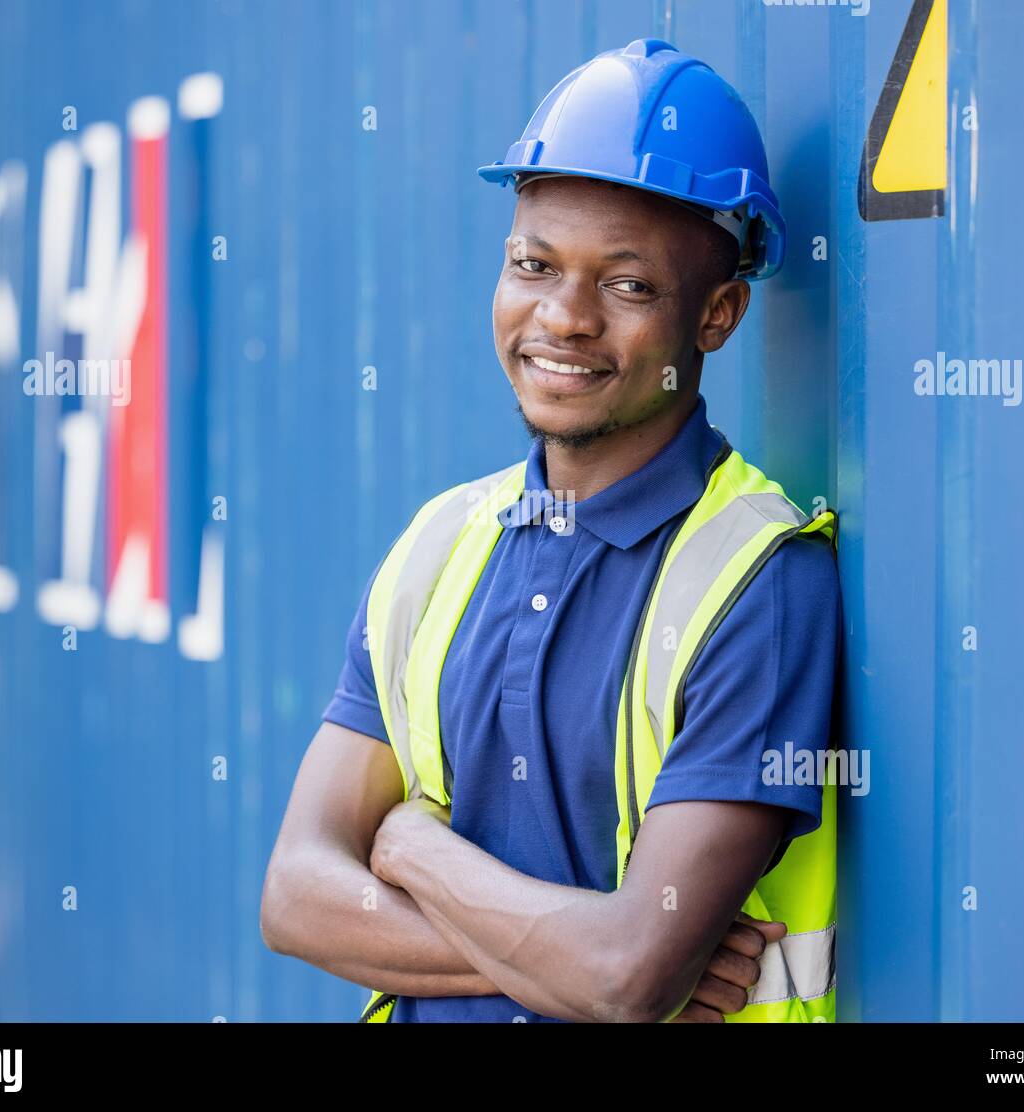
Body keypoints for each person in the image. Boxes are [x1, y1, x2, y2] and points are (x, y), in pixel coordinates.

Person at [262, 38, 842, 1023]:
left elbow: (623, 975)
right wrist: (571, 952)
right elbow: (295, 895)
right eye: (534, 265)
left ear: (718, 313)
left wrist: (410, 848)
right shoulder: (439, 547)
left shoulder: (757, 583)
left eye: (625, 284)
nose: (562, 317)